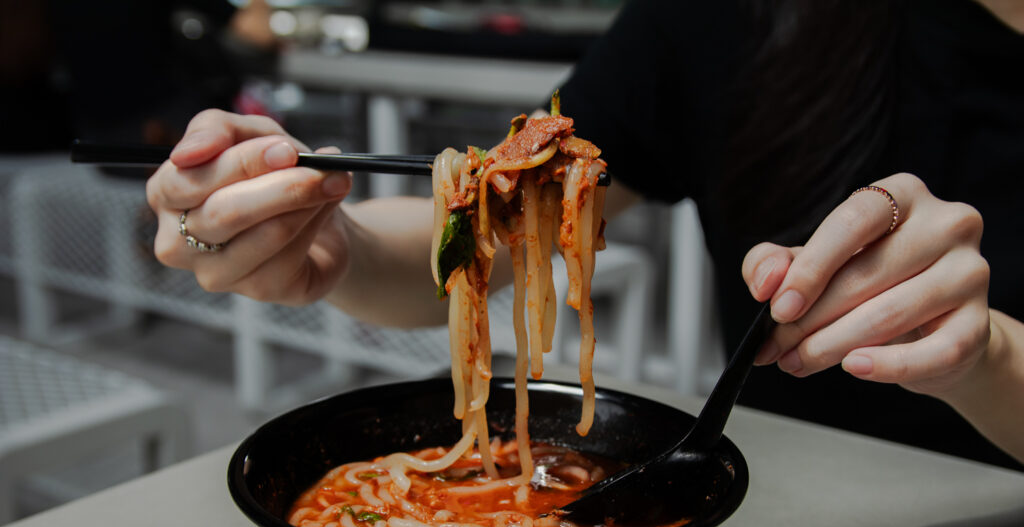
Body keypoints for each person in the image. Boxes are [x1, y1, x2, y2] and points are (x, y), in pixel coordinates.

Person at [145, 0, 1024, 469]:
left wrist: (990, 358)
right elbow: (487, 227)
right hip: (766, 522)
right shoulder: (736, 17)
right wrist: (324, 247)